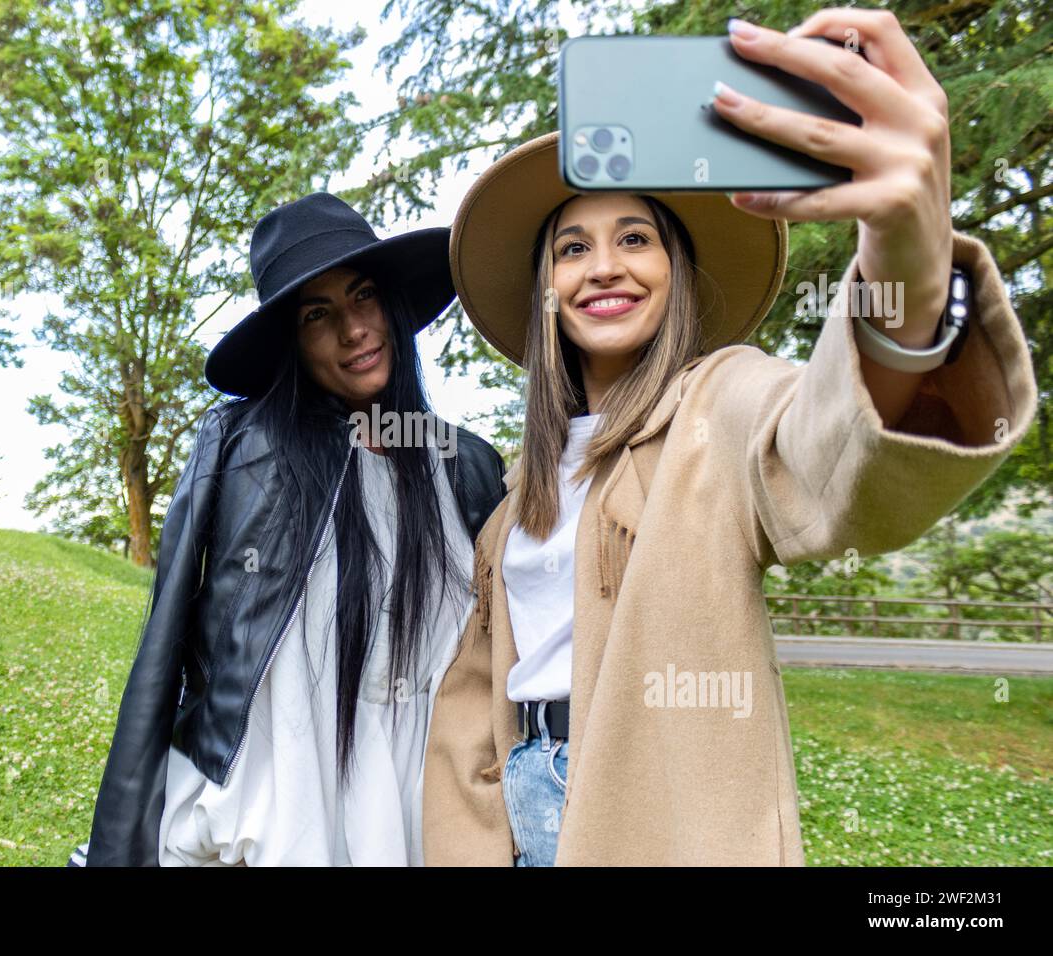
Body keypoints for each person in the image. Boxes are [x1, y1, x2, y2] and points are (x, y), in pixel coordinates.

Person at [421, 9, 1038, 866]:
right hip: (524, 818)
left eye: (635, 238)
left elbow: (826, 452)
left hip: (658, 819)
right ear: (547, 291)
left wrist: (909, 256)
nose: (603, 265)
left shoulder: (719, 403)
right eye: (572, 248)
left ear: (676, 272)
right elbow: (476, 697)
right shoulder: (520, 489)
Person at [79, 192, 505, 866]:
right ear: (292, 343)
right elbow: (164, 648)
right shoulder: (242, 448)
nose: (354, 330)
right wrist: (119, 846)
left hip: (428, 809)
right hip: (283, 811)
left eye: (364, 296)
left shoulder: (467, 466)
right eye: (318, 314)